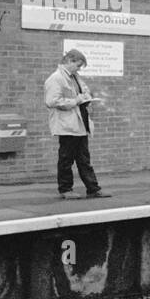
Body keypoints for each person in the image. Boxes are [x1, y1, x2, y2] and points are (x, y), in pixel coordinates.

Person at [44, 49, 110, 199]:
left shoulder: (74, 77)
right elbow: (52, 101)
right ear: (69, 61)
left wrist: (87, 98)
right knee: (66, 159)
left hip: (80, 123)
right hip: (67, 125)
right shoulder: (56, 78)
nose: (79, 69)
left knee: (84, 159)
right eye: (78, 65)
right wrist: (76, 101)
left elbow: (84, 92)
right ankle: (65, 190)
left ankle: (93, 189)